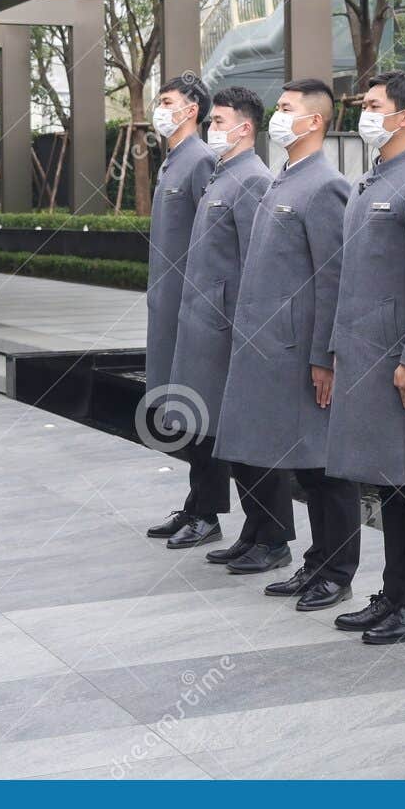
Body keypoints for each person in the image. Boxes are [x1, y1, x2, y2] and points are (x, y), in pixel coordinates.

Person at [215, 79, 357, 610]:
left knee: (322, 468)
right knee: (302, 463)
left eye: (287, 108)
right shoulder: (284, 180)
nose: (278, 116)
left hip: (304, 354)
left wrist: (325, 356)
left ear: (315, 121)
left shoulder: (326, 186)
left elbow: (333, 277)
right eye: (277, 107)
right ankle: (314, 562)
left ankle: (335, 569)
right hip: (273, 350)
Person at [326, 71, 405, 646]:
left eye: (375, 106)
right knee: (388, 480)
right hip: (363, 355)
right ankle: (393, 593)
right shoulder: (369, 180)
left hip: (400, 360)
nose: (364, 113)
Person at [165, 87, 293, 566]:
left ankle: (274, 538)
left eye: (218, 122)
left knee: (253, 434)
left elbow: (255, 264)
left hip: (234, 330)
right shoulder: (224, 174)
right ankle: (254, 530)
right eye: (211, 121)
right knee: (228, 435)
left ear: (245, 128)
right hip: (208, 328)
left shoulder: (253, 180)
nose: (210, 129)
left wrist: (245, 328)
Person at [142, 75, 227, 549]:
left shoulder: (200, 161)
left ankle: (208, 512)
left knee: (201, 409)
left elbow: (212, 239)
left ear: (192, 109)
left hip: (193, 308)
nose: (160, 108)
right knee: (182, 408)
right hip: (169, 304)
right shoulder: (173, 162)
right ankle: (197, 503)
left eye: (168, 101)